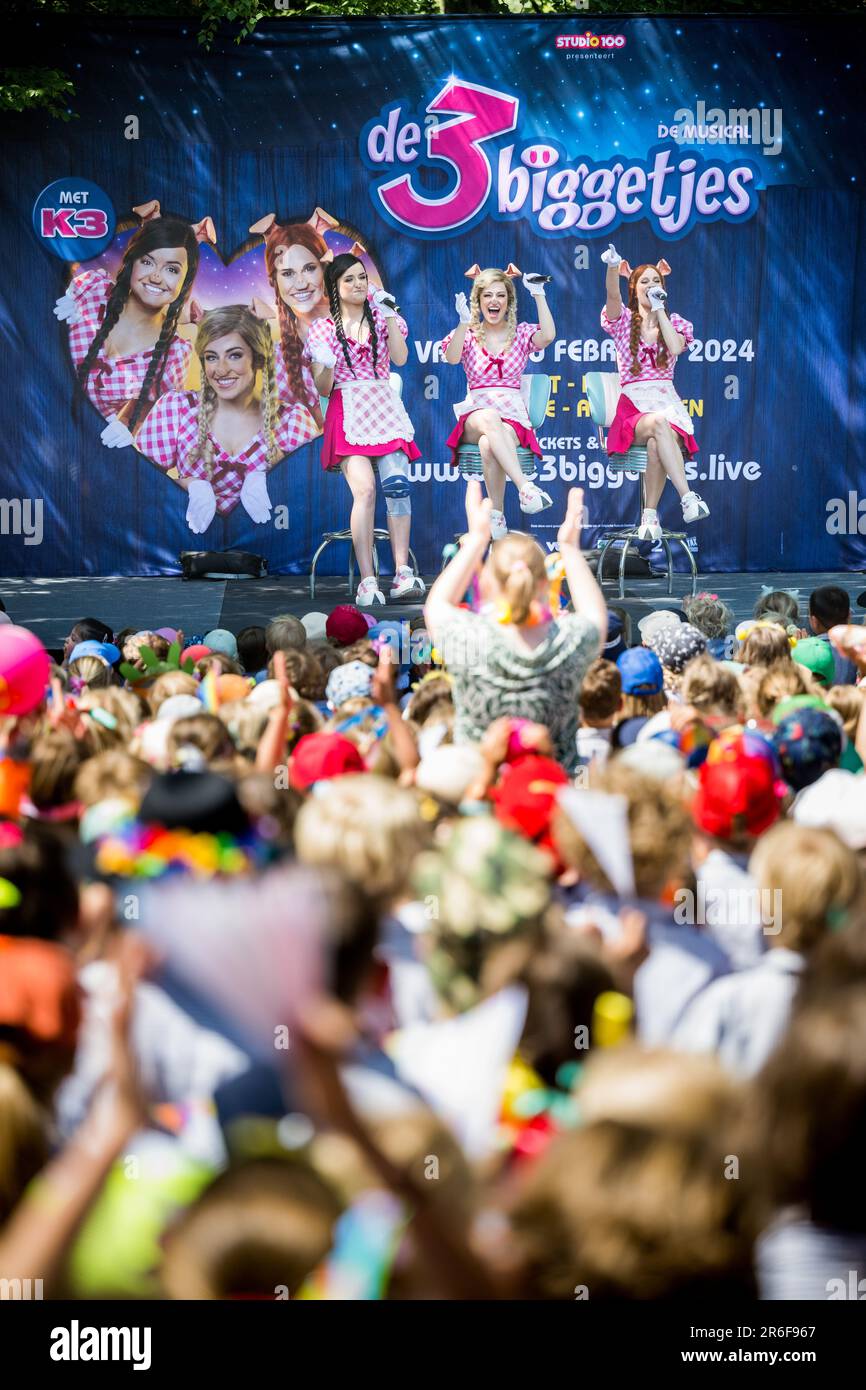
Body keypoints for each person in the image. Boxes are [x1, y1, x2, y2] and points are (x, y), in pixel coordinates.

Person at [424, 485, 606, 773]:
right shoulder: (570, 643)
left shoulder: (469, 640)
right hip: (553, 800)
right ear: (545, 585)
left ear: (486, 583)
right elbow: (595, 615)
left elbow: (436, 605)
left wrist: (477, 541)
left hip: (481, 798)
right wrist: (569, 548)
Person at [131, 305, 319, 533]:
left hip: (268, 554)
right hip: (191, 553)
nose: (220, 369)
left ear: (258, 359)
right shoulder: (177, 409)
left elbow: (315, 504)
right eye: (211, 357)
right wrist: (189, 485)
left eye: (234, 355)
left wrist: (275, 484)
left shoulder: (292, 422)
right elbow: (136, 486)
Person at [304, 254, 424, 606]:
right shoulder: (323, 330)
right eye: (349, 280)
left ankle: (402, 572)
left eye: (362, 278)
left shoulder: (385, 318)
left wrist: (389, 314)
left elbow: (400, 360)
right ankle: (368, 580)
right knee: (366, 491)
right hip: (348, 410)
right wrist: (325, 363)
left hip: (383, 405)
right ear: (335, 289)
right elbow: (324, 389)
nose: (358, 285)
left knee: (397, 485)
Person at [55, 200, 213, 441]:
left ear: (185, 282)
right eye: (147, 262)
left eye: (172, 269)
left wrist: (129, 425)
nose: (157, 276)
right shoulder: (92, 289)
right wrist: (55, 313)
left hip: (90, 447)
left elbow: (157, 414)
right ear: (132, 261)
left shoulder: (173, 355)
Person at [599, 244, 709, 540]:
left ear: (663, 287)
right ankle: (687, 497)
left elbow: (675, 348)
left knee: (655, 446)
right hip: (633, 408)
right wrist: (612, 266)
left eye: (655, 281)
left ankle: (649, 515)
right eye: (644, 281)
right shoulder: (622, 321)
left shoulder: (675, 323)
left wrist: (659, 310)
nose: (650, 285)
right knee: (658, 424)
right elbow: (612, 296)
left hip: (666, 400)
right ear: (634, 289)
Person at [441, 265, 555, 539]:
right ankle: (526, 488)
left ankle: (497, 516)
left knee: (487, 443)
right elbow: (452, 357)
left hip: (512, 416)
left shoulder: (521, 333)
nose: (494, 301)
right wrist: (462, 322)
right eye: (488, 296)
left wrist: (539, 294)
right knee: (489, 419)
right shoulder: (469, 333)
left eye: (501, 296)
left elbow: (548, 336)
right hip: (476, 414)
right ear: (479, 301)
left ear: (509, 302)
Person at [251, 209, 337, 421]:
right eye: (288, 273)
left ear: (324, 269)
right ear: (274, 281)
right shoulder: (280, 359)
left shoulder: (353, 322)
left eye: (309, 268)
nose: (300, 283)